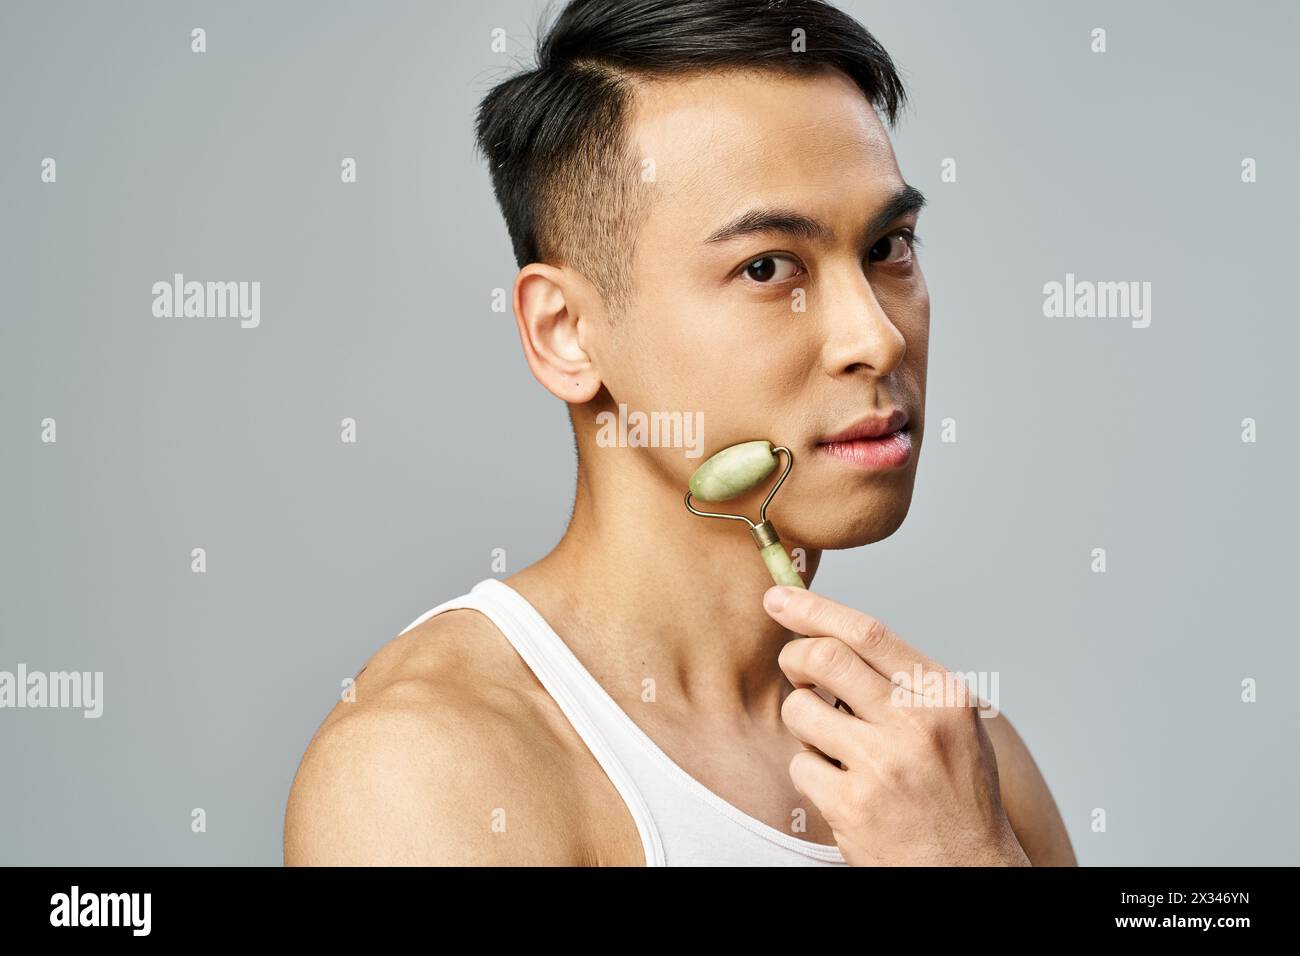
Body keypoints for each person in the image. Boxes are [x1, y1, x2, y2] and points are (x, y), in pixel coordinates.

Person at [284, 0, 1076, 866]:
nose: (877, 337)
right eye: (768, 267)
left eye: (889, 246)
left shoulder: (954, 757)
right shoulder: (425, 770)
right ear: (565, 334)